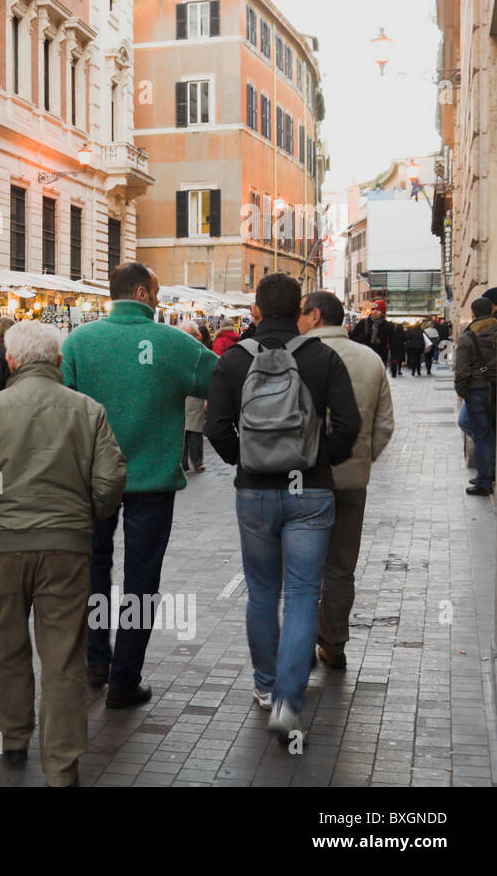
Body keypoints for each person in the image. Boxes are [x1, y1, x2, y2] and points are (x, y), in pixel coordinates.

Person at [0, 321, 126, 787]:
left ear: (10, 361)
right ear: (58, 362)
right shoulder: (87, 410)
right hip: (66, 548)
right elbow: (110, 481)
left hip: (5, 546)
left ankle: (13, 736)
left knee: (7, 644)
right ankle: (62, 766)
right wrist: (84, 514)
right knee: (64, 655)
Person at [205, 274, 361, 743]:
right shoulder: (321, 356)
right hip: (310, 491)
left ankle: (265, 684)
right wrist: (321, 458)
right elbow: (350, 423)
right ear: (300, 311)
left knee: (260, 591)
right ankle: (289, 701)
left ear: (255, 309)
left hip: (254, 491)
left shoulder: (233, 359)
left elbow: (215, 427)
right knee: (300, 594)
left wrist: (244, 460)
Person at [60, 262, 217, 708]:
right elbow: (223, 378)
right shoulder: (174, 344)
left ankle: (95, 658)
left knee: (93, 568)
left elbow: (61, 405)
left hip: (91, 478)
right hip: (151, 479)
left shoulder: (79, 342)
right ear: (145, 294)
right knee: (141, 579)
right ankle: (125, 680)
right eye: (158, 290)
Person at [298, 291, 395, 670]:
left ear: (316, 316)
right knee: (340, 566)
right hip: (352, 480)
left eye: (302, 314)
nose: (298, 321)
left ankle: (300, 643)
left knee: (301, 566)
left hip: (302, 479)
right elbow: (385, 424)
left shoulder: (296, 355)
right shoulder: (370, 359)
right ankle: (334, 642)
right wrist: (361, 459)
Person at [453, 296, 496, 496]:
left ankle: (484, 481)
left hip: (477, 390)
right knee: (487, 433)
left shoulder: (468, 337)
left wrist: (462, 392)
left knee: (481, 435)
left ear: (472, 313)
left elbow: (462, 371)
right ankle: (488, 472)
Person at [179, 322, 208, 472]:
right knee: (183, 431)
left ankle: (196, 462)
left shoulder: (201, 351)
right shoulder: (176, 350)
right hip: (182, 394)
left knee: (194, 432)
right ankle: (184, 462)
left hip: (195, 394)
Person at [351, 300, 393, 368]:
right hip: (364, 357)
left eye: (378, 310)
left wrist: (393, 360)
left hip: (380, 359)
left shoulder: (388, 326)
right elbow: (352, 338)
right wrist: (363, 337)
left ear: (383, 312)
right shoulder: (363, 322)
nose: (375, 312)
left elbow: (393, 343)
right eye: (373, 309)